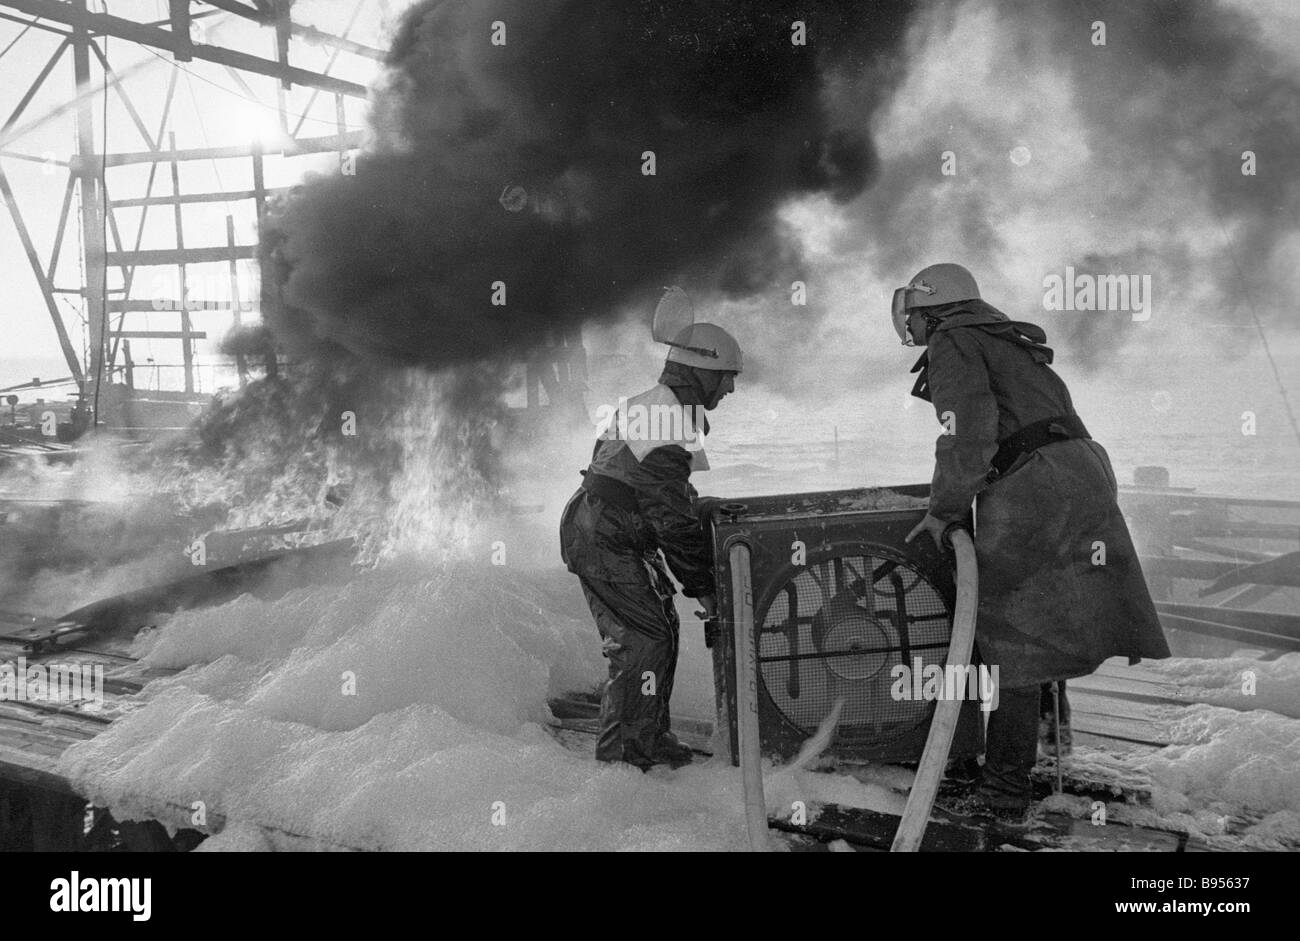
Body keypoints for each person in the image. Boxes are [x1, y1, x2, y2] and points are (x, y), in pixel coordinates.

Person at [892, 263, 1170, 820]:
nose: (911, 324)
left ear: (930, 311)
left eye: (914, 314)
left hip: (1035, 483)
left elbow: (967, 429)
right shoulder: (1005, 339)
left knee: (1015, 634)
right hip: (1082, 468)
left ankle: (1002, 791)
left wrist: (944, 511)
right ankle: (1053, 753)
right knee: (1056, 620)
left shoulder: (954, 340)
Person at [560, 323, 741, 770]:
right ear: (700, 373)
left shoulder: (656, 406)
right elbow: (671, 519)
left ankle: (647, 738)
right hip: (602, 537)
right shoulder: (666, 418)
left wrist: (697, 510)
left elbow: (657, 492)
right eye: (727, 376)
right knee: (642, 642)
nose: (732, 388)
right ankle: (622, 757)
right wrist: (703, 586)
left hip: (611, 529)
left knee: (661, 632)